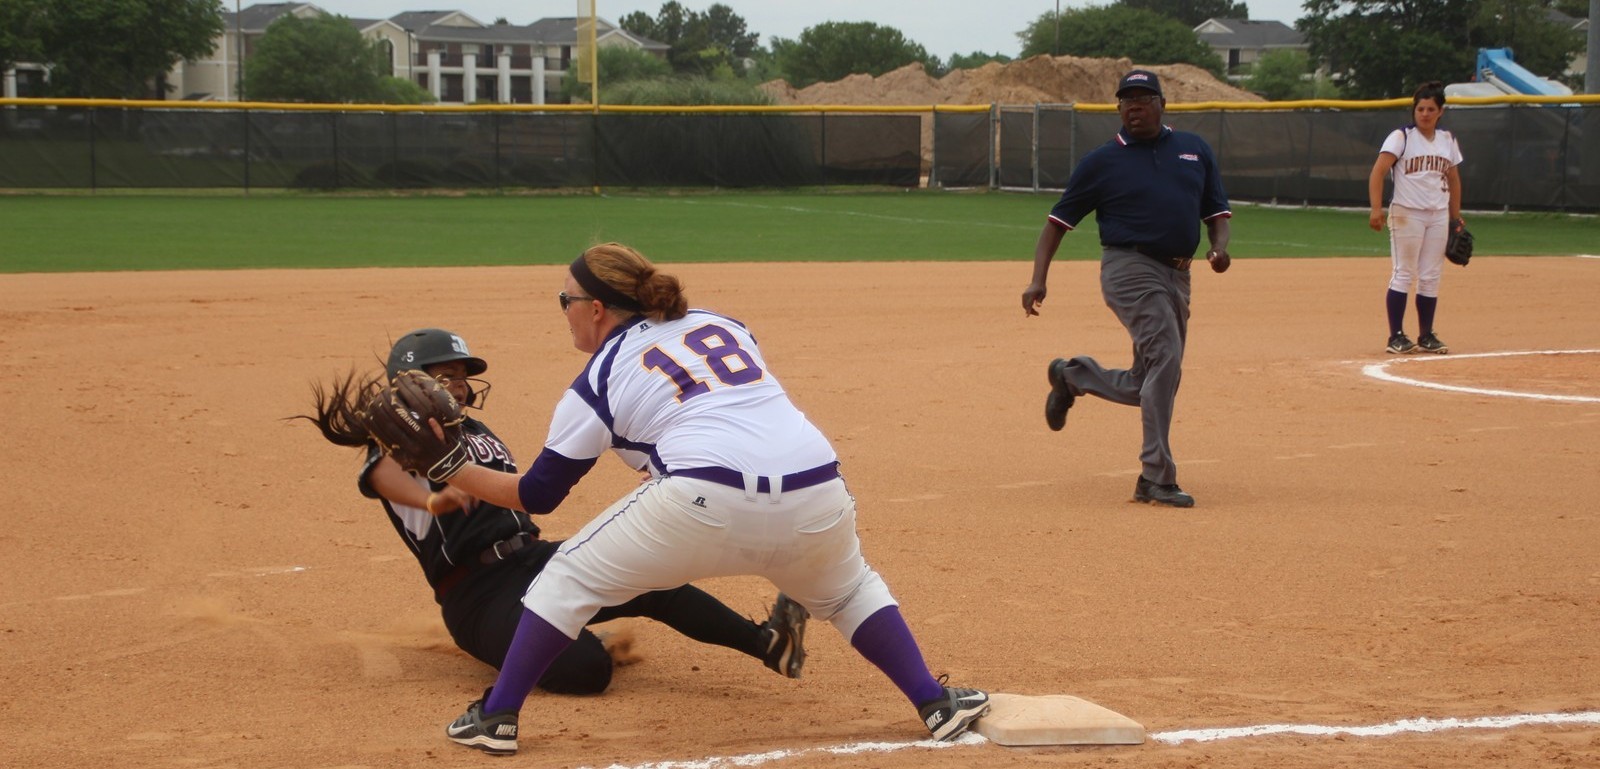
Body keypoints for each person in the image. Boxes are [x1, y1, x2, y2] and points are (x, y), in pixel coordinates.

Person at [378, 245, 989, 755]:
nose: (563, 312)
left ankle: (496, 718)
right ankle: (936, 704)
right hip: (819, 492)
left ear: (596, 308)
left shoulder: (593, 380)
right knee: (851, 591)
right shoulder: (724, 324)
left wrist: (451, 464)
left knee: (564, 581)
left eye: (566, 301)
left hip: (702, 494)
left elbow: (537, 494)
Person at [298, 327, 809, 696]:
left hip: (534, 560)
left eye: (460, 376)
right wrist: (432, 497)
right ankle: (560, 636)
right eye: (441, 376)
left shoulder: (475, 433)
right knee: (588, 672)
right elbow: (381, 477)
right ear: (408, 387)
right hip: (478, 596)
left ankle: (768, 644)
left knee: (655, 578)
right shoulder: (400, 444)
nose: (456, 386)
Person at [1021, 69, 1232, 509]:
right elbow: (1057, 224)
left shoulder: (1194, 150)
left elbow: (1216, 211)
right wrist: (1038, 278)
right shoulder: (1102, 162)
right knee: (1167, 359)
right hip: (1128, 268)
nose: (1134, 106)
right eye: (1126, 100)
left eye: (1143, 98)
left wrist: (1219, 248)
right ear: (1118, 109)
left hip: (1179, 274)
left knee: (1152, 379)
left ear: (1162, 104)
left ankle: (1072, 375)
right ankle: (1155, 477)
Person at [1368, 80, 1464, 355]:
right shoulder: (1402, 137)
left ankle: (1426, 335)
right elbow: (1378, 171)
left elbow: (1454, 179)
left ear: (1440, 112)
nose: (1424, 113)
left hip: (1438, 214)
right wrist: (1376, 208)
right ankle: (1396, 335)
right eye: (1420, 108)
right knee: (1403, 273)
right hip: (1406, 213)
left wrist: (1455, 218)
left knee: (1431, 276)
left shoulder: (1447, 140)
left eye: (1430, 109)